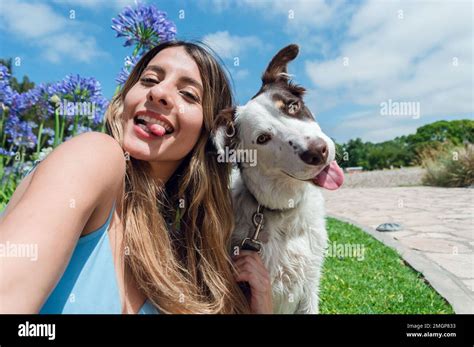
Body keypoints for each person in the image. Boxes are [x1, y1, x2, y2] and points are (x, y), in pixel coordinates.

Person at [0, 40, 272, 314]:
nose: (158, 92)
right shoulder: (94, 155)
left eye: (188, 95)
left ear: (209, 134)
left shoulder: (184, 261)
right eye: (149, 79)